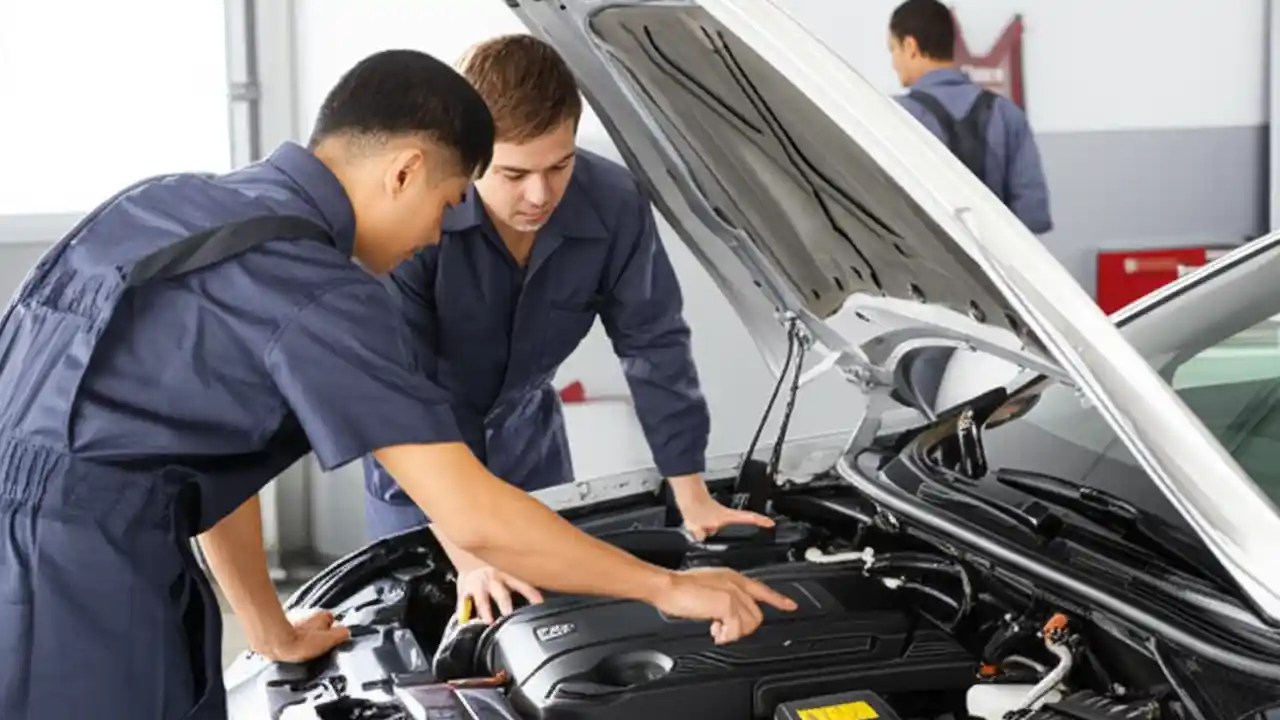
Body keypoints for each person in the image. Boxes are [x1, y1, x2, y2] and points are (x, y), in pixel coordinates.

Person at [0, 49, 795, 720]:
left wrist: (268, 630)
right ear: (407, 171)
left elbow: (204, 457)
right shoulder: (317, 286)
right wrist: (667, 589)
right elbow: (471, 514)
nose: (436, 232)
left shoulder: (167, 202)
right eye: (450, 203)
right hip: (80, 581)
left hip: (78, 542)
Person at [360, 35, 775, 622]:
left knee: (555, 624)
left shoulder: (614, 204)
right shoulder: (412, 223)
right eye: (513, 172)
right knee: (435, 636)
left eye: (560, 165)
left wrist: (690, 491)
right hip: (420, 469)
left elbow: (653, 343)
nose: (540, 194)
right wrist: (471, 554)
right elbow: (400, 399)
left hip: (533, 452)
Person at [888, 0, 1053, 234]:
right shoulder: (1007, 115)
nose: (893, 63)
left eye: (892, 49)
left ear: (910, 46)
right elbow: (1034, 217)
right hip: (997, 266)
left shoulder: (896, 118)